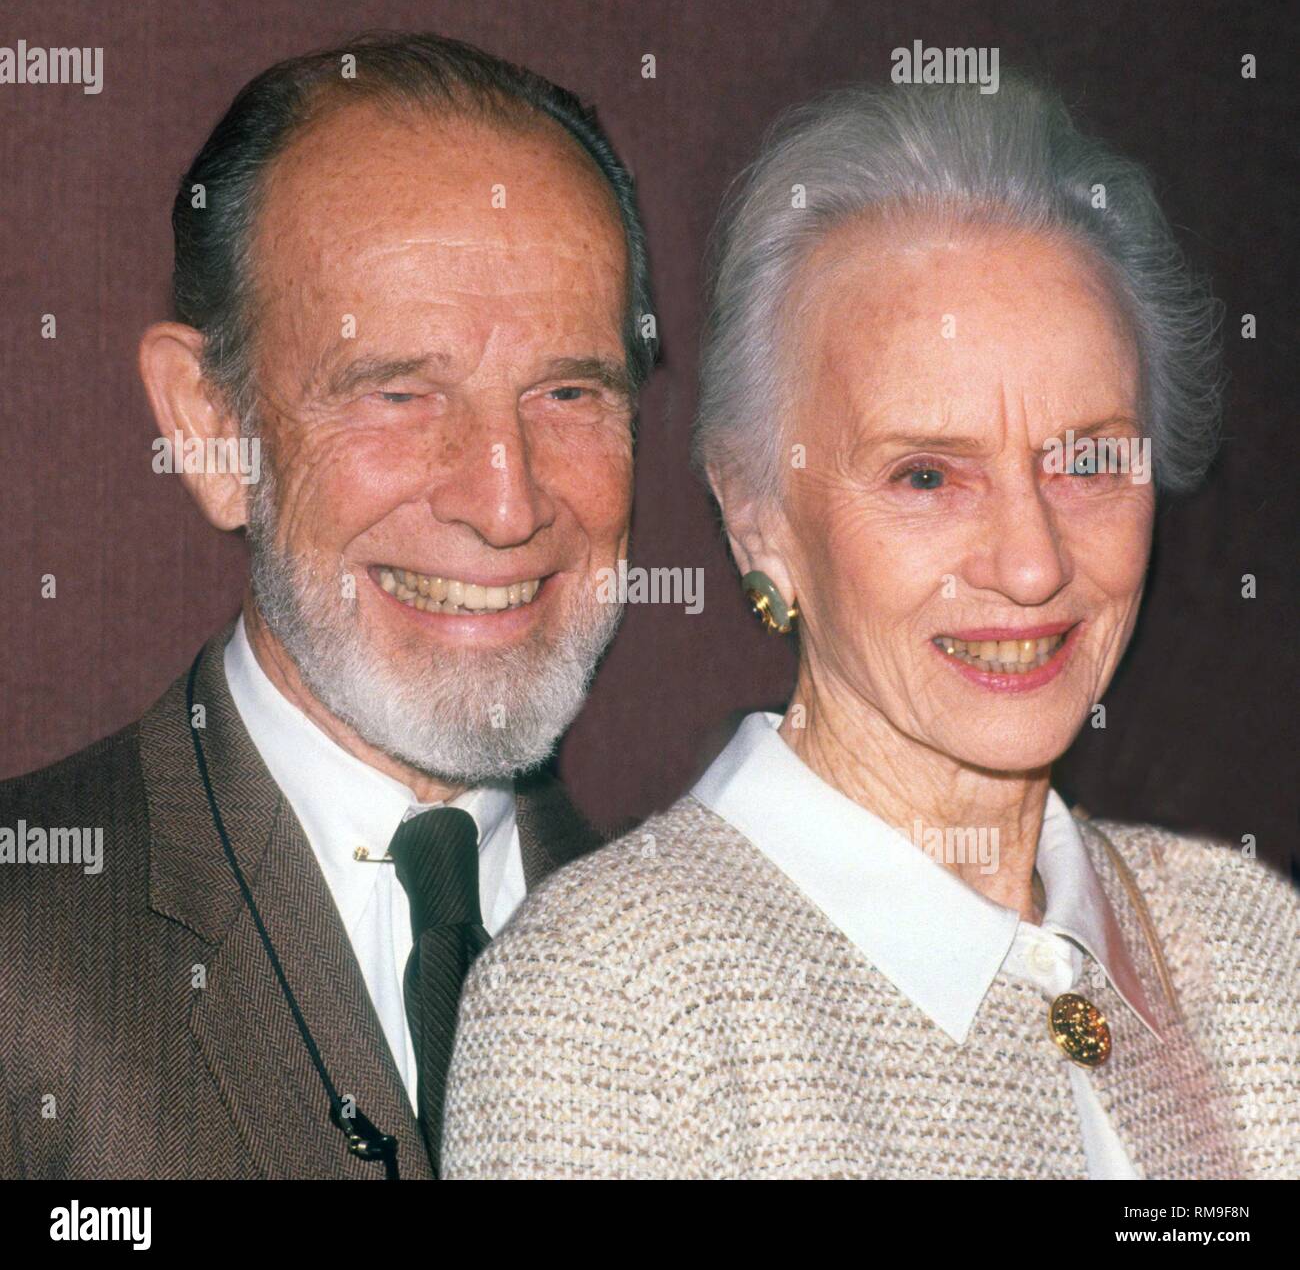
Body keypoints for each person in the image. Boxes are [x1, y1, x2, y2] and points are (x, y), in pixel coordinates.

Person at [442, 75, 1299, 1179]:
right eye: (928, 474)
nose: (1032, 562)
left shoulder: (1251, 944)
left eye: (1085, 459)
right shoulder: (610, 1007)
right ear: (756, 514)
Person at [0, 30, 654, 1180]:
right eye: (400, 392)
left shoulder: (721, 964)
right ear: (209, 427)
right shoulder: (26, 958)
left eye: (566, 391)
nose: (506, 502)